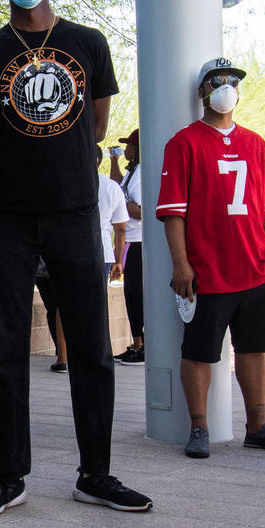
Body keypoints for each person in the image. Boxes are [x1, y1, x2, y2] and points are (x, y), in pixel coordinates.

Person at [0, 0, 151, 517]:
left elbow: (95, 126)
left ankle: (96, 473)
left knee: (91, 346)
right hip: (7, 216)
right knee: (7, 348)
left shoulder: (86, 43)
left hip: (73, 211)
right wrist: (10, 144)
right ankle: (7, 477)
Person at [156, 58, 265, 460]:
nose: (226, 88)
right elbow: (173, 212)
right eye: (217, 81)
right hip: (208, 270)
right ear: (203, 92)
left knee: (254, 349)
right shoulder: (183, 143)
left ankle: (257, 425)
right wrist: (181, 265)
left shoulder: (255, 143)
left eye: (232, 81)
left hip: (256, 268)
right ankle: (199, 426)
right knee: (198, 351)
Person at [110, 129, 144, 364]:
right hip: (130, 240)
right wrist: (113, 160)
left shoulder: (142, 173)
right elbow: (116, 189)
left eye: (129, 146)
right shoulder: (132, 173)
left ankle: (143, 346)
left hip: (138, 240)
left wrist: (121, 203)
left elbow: (139, 211)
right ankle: (136, 343)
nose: (127, 150)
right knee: (131, 294)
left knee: (137, 294)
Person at [96, 145, 127, 285]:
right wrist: (118, 260)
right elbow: (120, 229)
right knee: (98, 299)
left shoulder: (67, 182)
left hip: (70, 251)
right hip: (103, 251)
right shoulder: (111, 187)